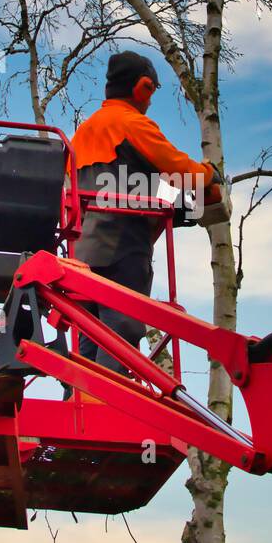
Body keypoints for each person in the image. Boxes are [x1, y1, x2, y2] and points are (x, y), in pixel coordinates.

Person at [70, 51, 221, 373]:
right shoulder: (131, 123)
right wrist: (209, 174)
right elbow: (182, 169)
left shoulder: (83, 132)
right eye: (151, 92)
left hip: (81, 251)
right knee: (120, 331)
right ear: (143, 88)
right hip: (123, 248)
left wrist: (184, 208)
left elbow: (125, 185)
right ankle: (109, 406)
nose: (151, 101)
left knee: (87, 336)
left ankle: (80, 402)